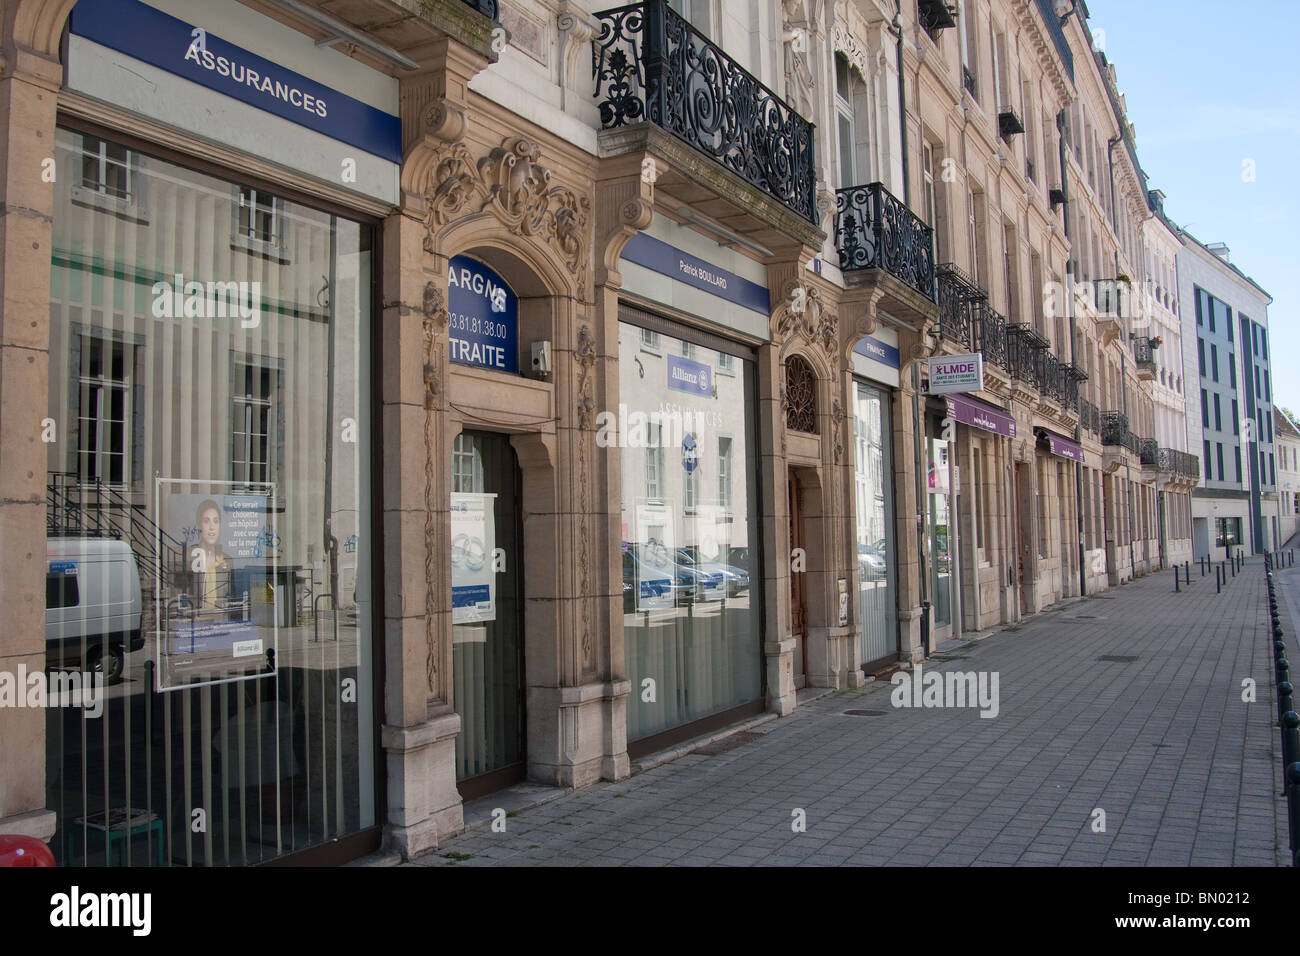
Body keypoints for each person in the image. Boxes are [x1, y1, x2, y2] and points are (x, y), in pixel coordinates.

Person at [192, 498, 231, 609]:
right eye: (206, 521)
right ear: (199, 525)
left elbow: (230, 597)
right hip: (197, 621)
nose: (212, 527)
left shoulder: (227, 561)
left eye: (216, 521)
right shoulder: (191, 558)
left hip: (221, 620)